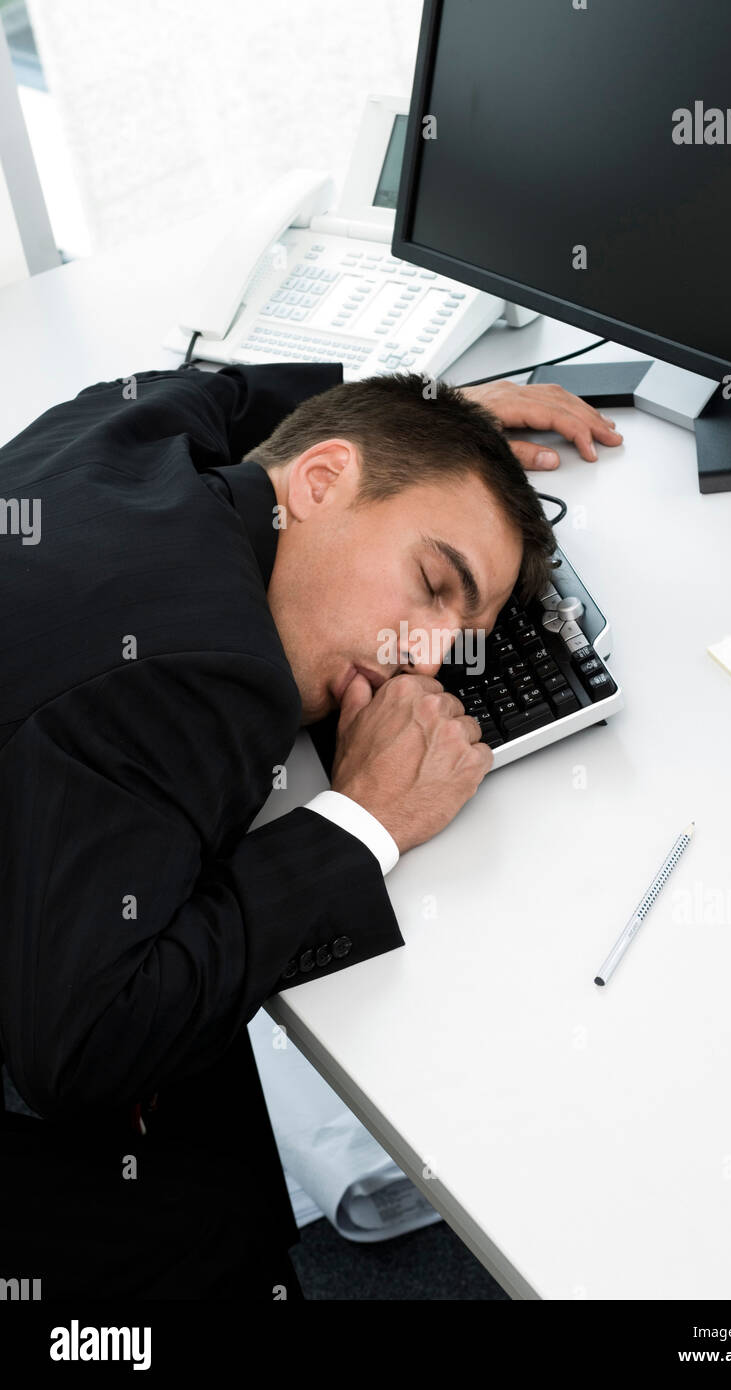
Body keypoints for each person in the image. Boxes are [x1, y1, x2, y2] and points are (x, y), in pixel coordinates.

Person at [0, 362, 621, 1298]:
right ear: (321, 480)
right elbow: (81, 1048)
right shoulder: (204, 673)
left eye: (456, 638)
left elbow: (214, 394)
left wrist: (440, 430)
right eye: (431, 580)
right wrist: (362, 818)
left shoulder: (112, 447)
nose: (425, 655)